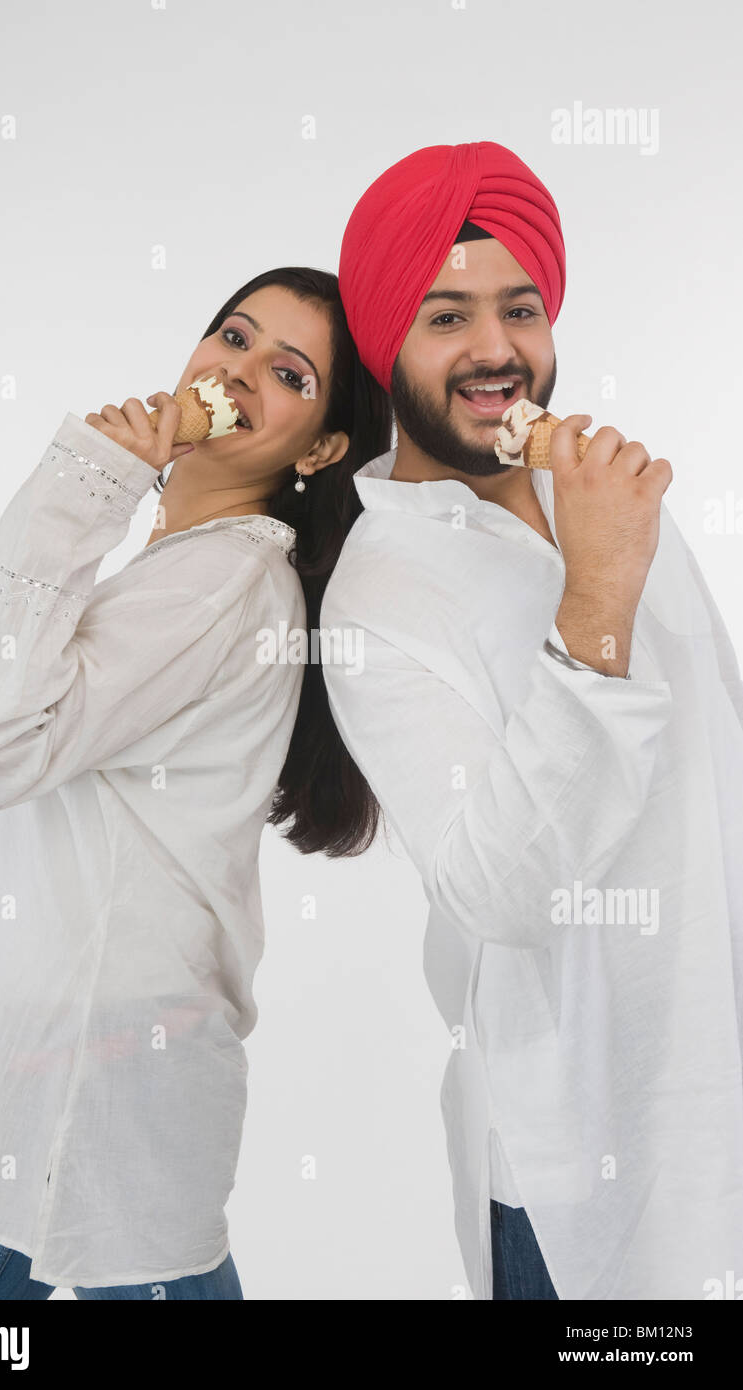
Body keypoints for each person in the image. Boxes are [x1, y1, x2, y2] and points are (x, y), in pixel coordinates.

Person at [0, 266, 392, 1300]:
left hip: (114, 1061)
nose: (239, 372)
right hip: (62, 1049)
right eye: (233, 336)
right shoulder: (188, 564)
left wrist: (85, 483)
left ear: (322, 446)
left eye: (288, 372)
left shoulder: (219, 582)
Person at [320, 141, 743, 1300]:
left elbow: (722, 769)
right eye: (445, 315)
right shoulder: (376, 595)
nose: (496, 350)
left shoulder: (608, 495)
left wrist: (610, 549)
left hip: (726, 1122)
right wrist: (595, 602)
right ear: (383, 341)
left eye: (520, 308)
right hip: (575, 1180)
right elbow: (503, 890)